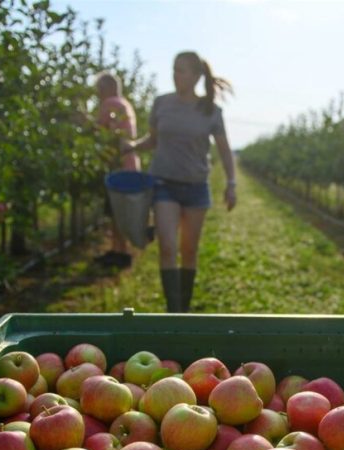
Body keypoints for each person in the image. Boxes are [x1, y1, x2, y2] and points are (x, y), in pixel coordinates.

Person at [121, 51, 237, 312]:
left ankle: (184, 309)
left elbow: (224, 150)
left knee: (189, 251)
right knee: (167, 247)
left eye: (181, 70)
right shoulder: (162, 103)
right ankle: (173, 310)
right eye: (174, 69)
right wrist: (133, 146)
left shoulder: (211, 110)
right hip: (164, 183)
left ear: (196, 76)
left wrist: (231, 183)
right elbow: (152, 140)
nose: (176, 75)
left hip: (196, 187)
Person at [95, 71, 141, 267]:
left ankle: (121, 253)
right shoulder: (124, 104)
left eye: (100, 90)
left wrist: (83, 122)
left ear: (109, 88)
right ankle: (118, 250)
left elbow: (98, 131)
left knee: (117, 211)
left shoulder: (111, 104)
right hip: (129, 164)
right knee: (118, 211)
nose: (98, 94)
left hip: (119, 166)